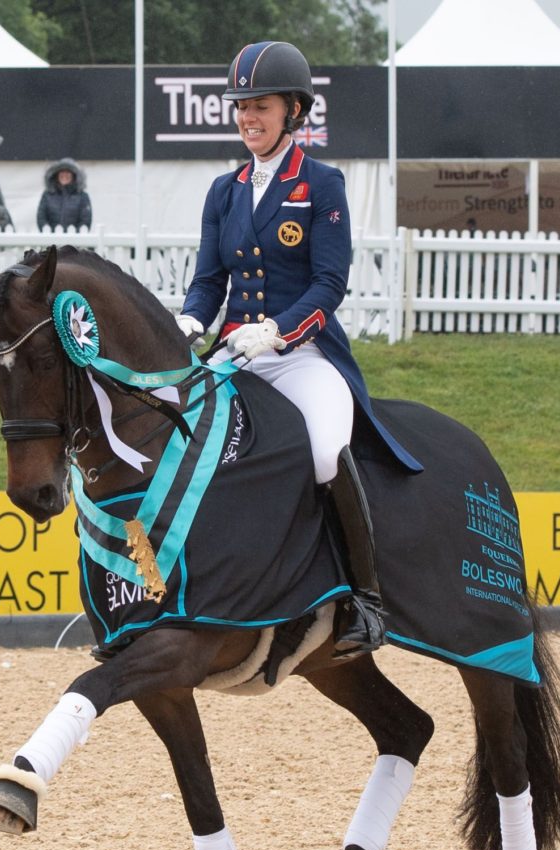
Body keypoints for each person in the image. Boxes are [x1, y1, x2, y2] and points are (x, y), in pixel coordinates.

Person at [175, 41, 422, 659]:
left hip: (302, 355)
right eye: (241, 107)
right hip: (236, 354)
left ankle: (365, 600)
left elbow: (329, 284)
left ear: (293, 110)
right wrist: (188, 323)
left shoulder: (321, 183)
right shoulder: (223, 191)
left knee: (324, 453)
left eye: (260, 106)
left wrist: (278, 331)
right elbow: (209, 281)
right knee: (174, 439)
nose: (248, 118)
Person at [37, 158, 92, 231]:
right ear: (56, 175)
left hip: (75, 237)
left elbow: (85, 219)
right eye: (62, 172)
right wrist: (46, 229)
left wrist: (78, 232)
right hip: (51, 236)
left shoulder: (82, 196)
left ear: (74, 175)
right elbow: (41, 217)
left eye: (68, 172)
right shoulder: (47, 195)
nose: (65, 175)